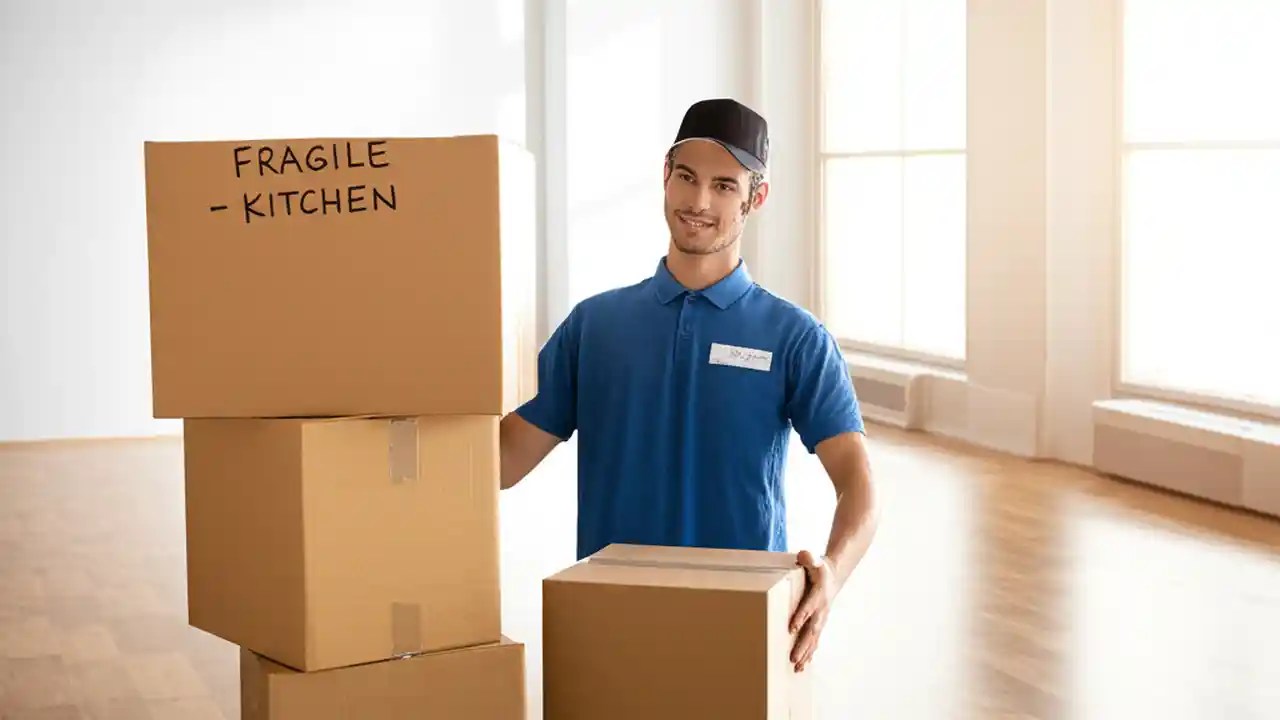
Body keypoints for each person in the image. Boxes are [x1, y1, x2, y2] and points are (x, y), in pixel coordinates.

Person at [499, 98, 879, 673]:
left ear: (756, 198)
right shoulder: (594, 326)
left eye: (724, 186)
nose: (699, 202)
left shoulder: (795, 337)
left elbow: (859, 482)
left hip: (739, 618)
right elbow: (503, 460)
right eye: (687, 177)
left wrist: (833, 571)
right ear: (665, 176)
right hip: (609, 615)